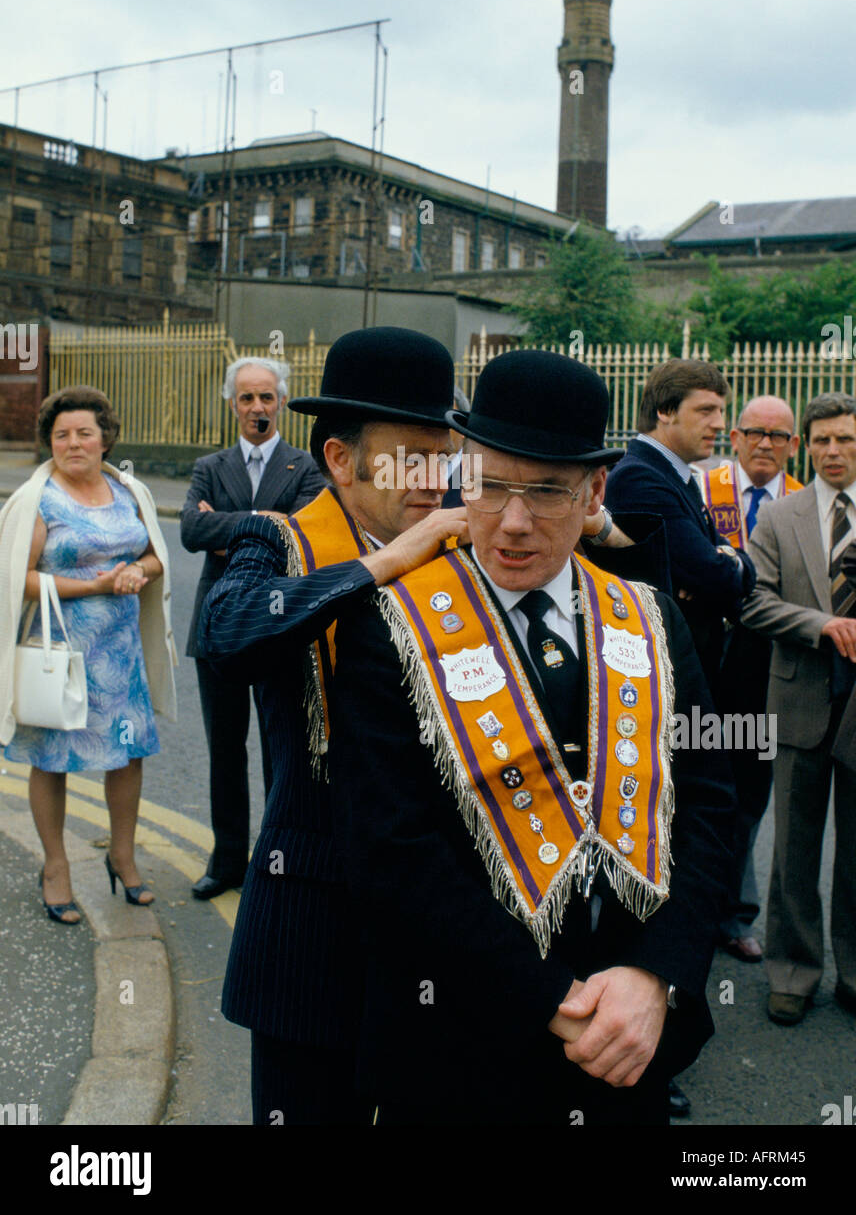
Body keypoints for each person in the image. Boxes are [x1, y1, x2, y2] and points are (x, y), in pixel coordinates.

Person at [199, 328, 668, 1126]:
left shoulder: (477, 525)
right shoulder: (275, 536)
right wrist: (386, 562)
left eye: (444, 457)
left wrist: (589, 516)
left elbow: (617, 634)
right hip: (321, 931)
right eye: (408, 458)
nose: (433, 479)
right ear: (342, 462)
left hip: (448, 939)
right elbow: (227, 633)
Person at [326, 350, 735, 1125]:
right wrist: (554, 999)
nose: (513, 522)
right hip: (456, 1047)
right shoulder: (389, 625)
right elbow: (389, 849)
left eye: (546, 491)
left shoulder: (650, 616)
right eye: (490, 486)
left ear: (594, 494)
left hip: (626, 1043)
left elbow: (709, 803)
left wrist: (655, 977)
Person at [0, 386, 177, 921]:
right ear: (50, 443)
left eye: (84, 433)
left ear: (105, 440)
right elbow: (18, 579)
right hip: (59, 651)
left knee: (127, 755)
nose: (73, 443)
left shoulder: (129, 491)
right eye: (61, 435)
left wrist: (135, 572)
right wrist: (95, 587)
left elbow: (154, 555)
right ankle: (56, 866)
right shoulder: (38, 499)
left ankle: (121, 857)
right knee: (50, 759)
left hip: (119, 653)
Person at [180, 356, 324, 900]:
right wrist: (266, 525)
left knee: (279, 746)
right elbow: (192, 530)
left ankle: (276, 861)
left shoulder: (305, 467)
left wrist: (233, 529)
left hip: (278, 624)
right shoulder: (210, 466)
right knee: (225, 746)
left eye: (266, 397)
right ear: (233, 404)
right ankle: (227, 862)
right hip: (214, 624)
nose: (257, 407)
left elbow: (304, 535)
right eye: (246, 398)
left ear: (280, 401)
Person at [740, 392, 856, 1025]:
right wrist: (819, 624)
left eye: (844, 440)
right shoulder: (780, 516)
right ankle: (792, 971)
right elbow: (752, 602)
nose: (832, 452)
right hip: (801, 697)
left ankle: (854, 973)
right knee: (794, 850)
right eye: (821, 442)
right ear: (805, 447)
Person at [704, 397, 801, 964]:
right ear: (735, 437)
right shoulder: (700, 486)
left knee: (748, 797)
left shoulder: (800, 505)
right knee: (690, 786)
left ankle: (736, 914)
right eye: (756, 432)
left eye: (780, 436)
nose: (766, 444)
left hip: (759, 669)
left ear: (792, 447)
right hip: (700, 658)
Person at [606, 359, 755, 689]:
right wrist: (726, 564)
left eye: (720, 410)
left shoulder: (673, 473)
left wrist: (725, 563)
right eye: (706, 410)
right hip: (668, 675)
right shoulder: (640, 478)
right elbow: (715, 574)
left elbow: (719, 569)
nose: (719, 423)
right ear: (664, 410)